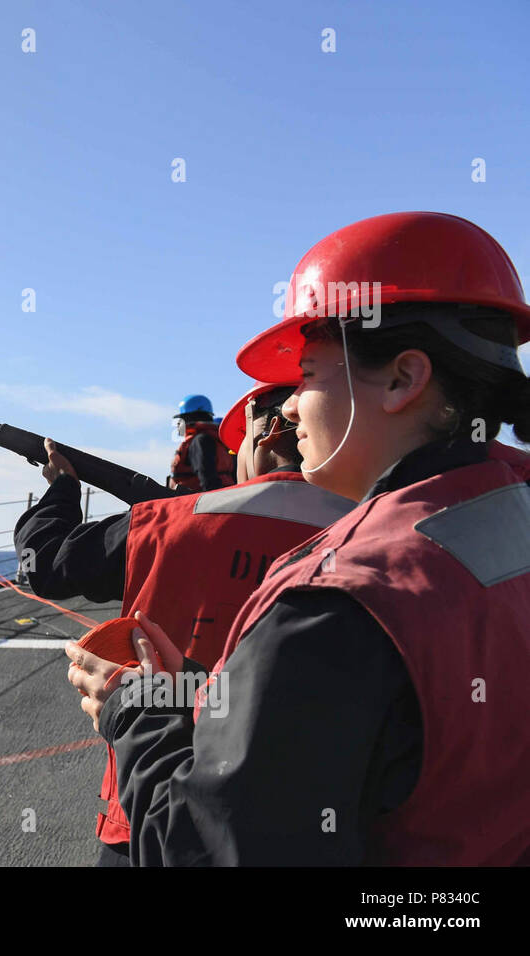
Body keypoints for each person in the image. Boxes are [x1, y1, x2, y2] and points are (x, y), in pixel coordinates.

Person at [67, 211, 530, 865]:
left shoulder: (338, 598)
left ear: (403, 378)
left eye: (309, 374)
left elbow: (207, 849)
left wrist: (132, 707)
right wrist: (232, 697)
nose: (286, 407)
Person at [15, 383, 355, 866]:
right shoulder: (381, 533)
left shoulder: (165, 522)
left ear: (265, 436)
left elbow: (44, 563)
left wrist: (63, 489)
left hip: (154, 812)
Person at [168, 395, 236, 492]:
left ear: (190, 418)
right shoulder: (217, 439)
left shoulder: (200, 440)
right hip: (224, 495)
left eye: (182, 419)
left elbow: (207, 476)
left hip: (199, 501)